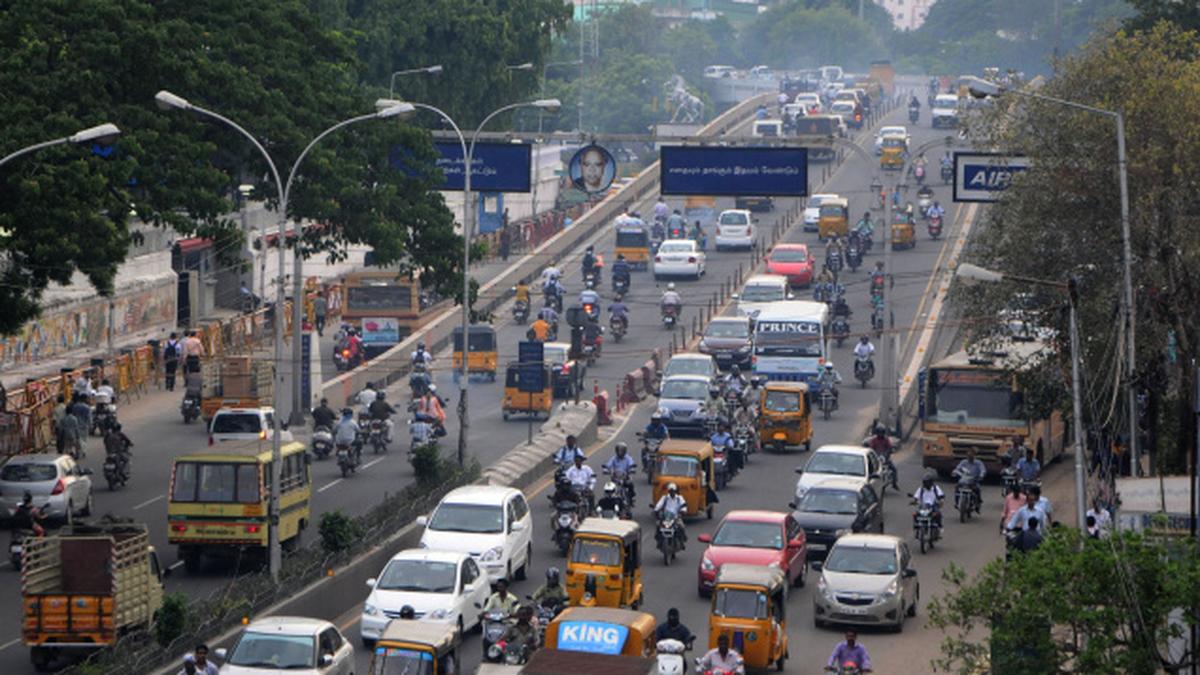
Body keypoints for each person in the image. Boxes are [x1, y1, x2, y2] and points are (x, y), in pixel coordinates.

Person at [654, 483, 688, 547]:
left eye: (673, 491)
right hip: (666, 517)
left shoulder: (679, 498)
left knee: (681, 526)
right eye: (670, 491)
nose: (672, 492)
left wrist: (683, 511)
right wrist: (656, 510)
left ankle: (682, 540)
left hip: (676, 517)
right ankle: (659, 540)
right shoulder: (665, 498)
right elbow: (659, 505)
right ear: (668, 491)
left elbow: (684, 505)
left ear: (675, 491)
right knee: (658, 525)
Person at [953, 448, 987, 513]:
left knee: (977, 489)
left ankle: (978, 504)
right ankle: (957, 502)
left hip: (973, 481)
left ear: (974, 456)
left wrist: (981, 475)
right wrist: (954, 472)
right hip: (964, 480)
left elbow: (983, 470)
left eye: (971, 456)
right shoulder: (963, 462)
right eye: (968, 456)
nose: (970, 457)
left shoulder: (978, 463)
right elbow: (957, 468)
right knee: (957, 488)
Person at [865, 425, 898, 490]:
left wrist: (888, 453)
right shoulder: (874, 440)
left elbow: (889, 447)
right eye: (879, 433)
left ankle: (894, 483)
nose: (880, 434)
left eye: (882, 433)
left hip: (885, 458)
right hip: (876, 458)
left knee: (894, 469)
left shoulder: (886, 439)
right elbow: (871, 448)